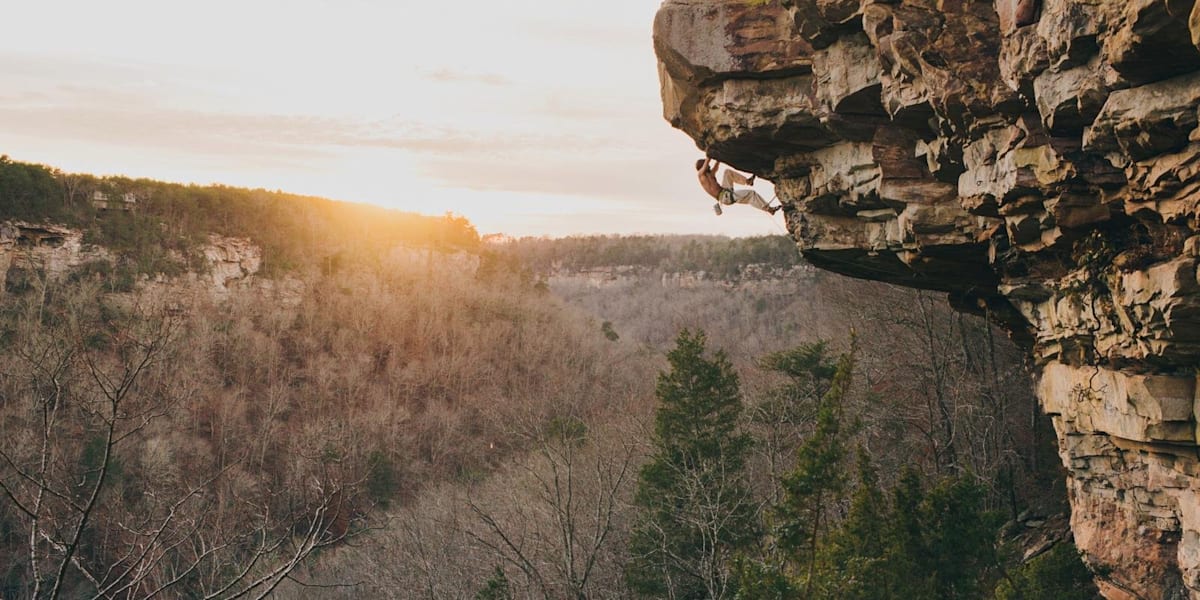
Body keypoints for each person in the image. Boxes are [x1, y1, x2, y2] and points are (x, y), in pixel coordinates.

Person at [696, 158, 778, 216]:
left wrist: (718, 158)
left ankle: (747, 181)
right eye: (707, 165)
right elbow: (707, 161)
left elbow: (716, 167)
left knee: (727, 172)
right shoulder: (701, 175)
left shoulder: (710, 174)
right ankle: (769, 209)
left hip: (725, 190)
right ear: (702, 166)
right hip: (725, 197)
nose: (709, 166)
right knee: (751, 194)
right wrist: (710, 153)